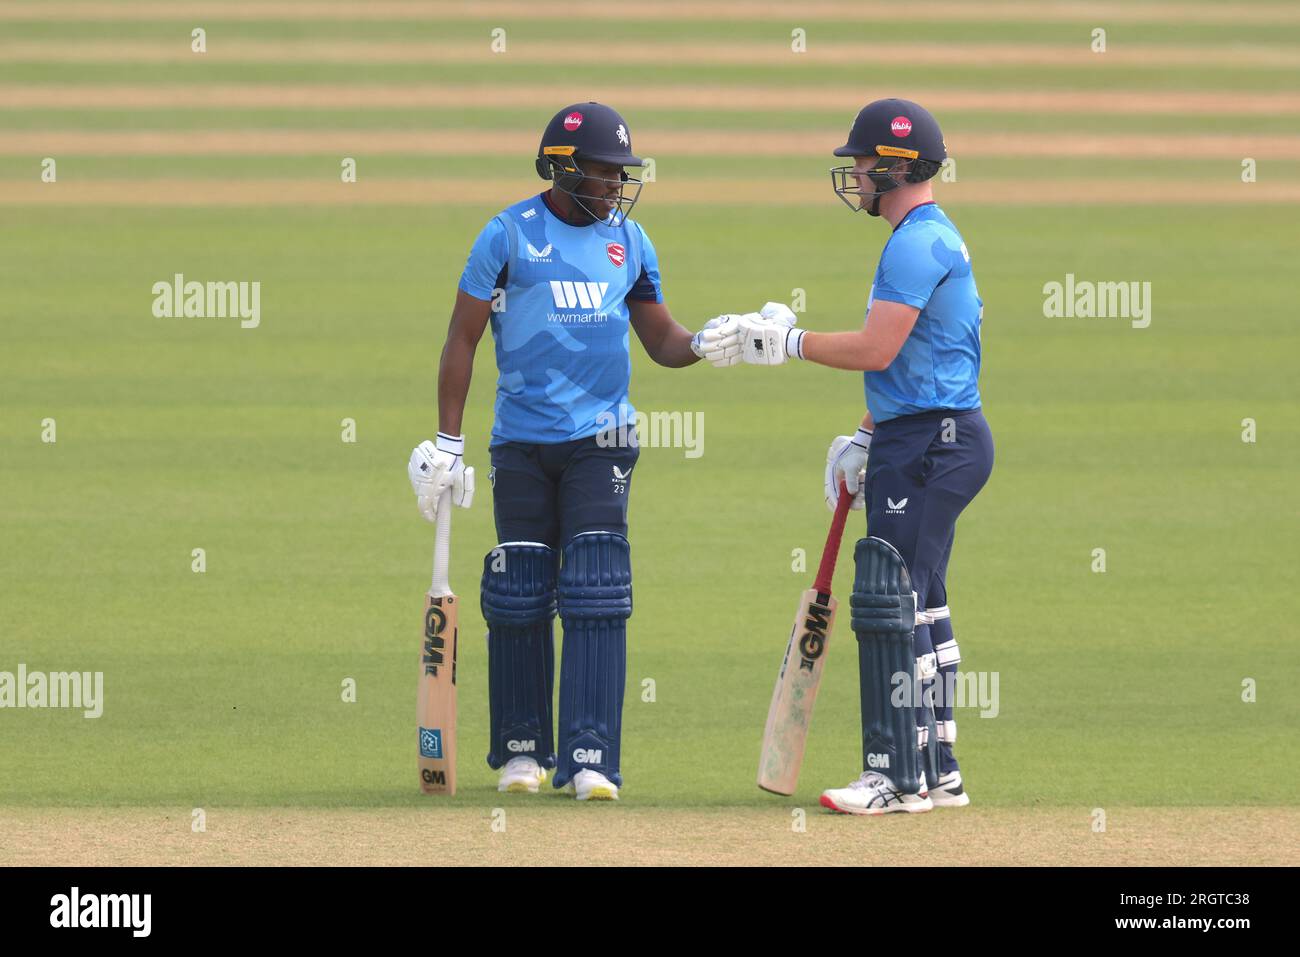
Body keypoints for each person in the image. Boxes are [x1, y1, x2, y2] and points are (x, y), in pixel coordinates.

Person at [408, 102, 740, 801]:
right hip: (521, 442)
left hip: (605, 441)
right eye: (604, 172)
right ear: (562, 169)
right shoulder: (507, 236)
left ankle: (591, 757)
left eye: (623, 173)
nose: (617, 185)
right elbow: (460, 340)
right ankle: (523, 751)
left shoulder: (631, 241)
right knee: (521, 592)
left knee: (596, 587)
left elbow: (661, 340)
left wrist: (709, 343)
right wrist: (446, 442)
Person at [739, 98, 994, 814]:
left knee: (888, 593)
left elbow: (877, 348)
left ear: (893, 165)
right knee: (921, 600)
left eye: (860, 161)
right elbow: (919, 360)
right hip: (932, 434)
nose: (853, 172)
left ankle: (892, 777)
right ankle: (939, 772)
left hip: (931, 444)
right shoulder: (932, 235)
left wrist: (786, 343)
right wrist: (869, 431)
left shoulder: (915, 242)